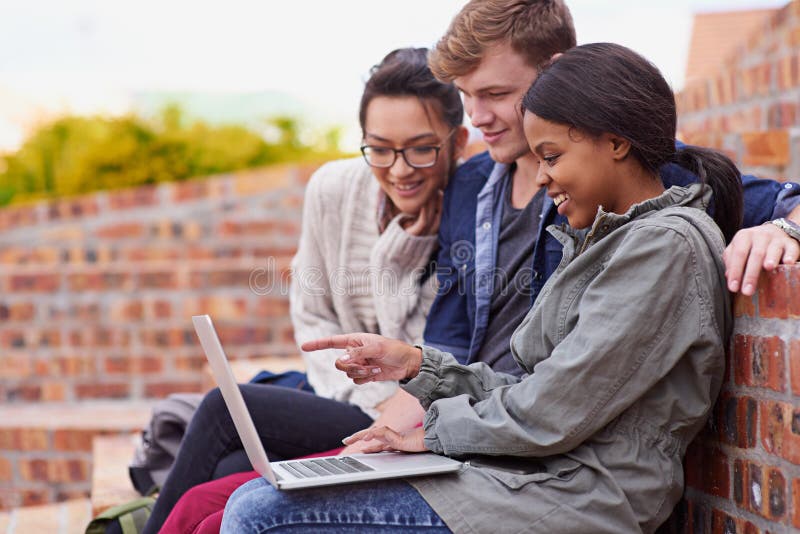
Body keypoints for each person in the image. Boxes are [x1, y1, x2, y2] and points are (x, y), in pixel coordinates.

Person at [222, 42, 743, 533]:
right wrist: (416, 367)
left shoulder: (664, 247)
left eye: (552, 156)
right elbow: (535, 394)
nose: (540, 177)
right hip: (523, 477)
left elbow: (550, 412)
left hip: (575, 499)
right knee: (256, 497)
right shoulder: (606, 240)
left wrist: (427, 434)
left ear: (617, 142)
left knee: (262, 513)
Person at [140, 47, 468, 534]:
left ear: (457, 141)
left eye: (421, 148)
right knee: (230, 463)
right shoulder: (333, 189)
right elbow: (313, 320)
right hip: (349, 397)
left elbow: (426, 352)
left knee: (221, 415)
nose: (399, 169)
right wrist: (372, 399)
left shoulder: (471, 214)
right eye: (379, 148)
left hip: (409, 420)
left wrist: (404, 247)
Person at [422, 0, 800, 372]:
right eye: (464, 94)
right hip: (464, 407)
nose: (476, 116)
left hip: (541, 416)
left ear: (553, 70)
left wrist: (783, 228)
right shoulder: (468, 183)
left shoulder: (640, 170)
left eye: (495, 94)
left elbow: (787, 204)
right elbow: (447, 347)